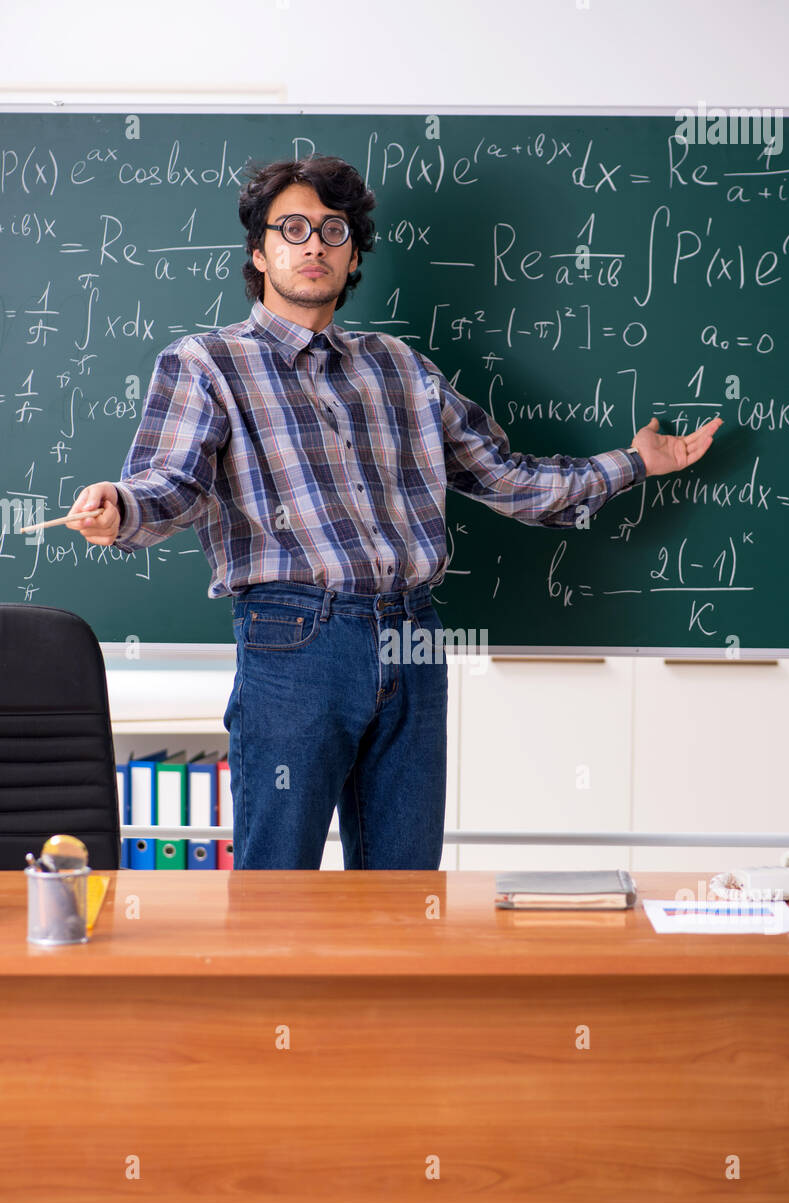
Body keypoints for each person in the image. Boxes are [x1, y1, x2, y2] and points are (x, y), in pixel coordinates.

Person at [66, 153, 722, 871]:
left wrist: (634, 463)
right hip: (295, 641)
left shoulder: (401, 368)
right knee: (275, 881)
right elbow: (172, 482)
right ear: (259, 252)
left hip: (412, 634)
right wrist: (120, 507)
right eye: (291, 229)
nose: (313, 243)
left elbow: (506, 479)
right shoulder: (206, 362)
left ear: (352, 259)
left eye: (333, 230)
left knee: (406, 886)